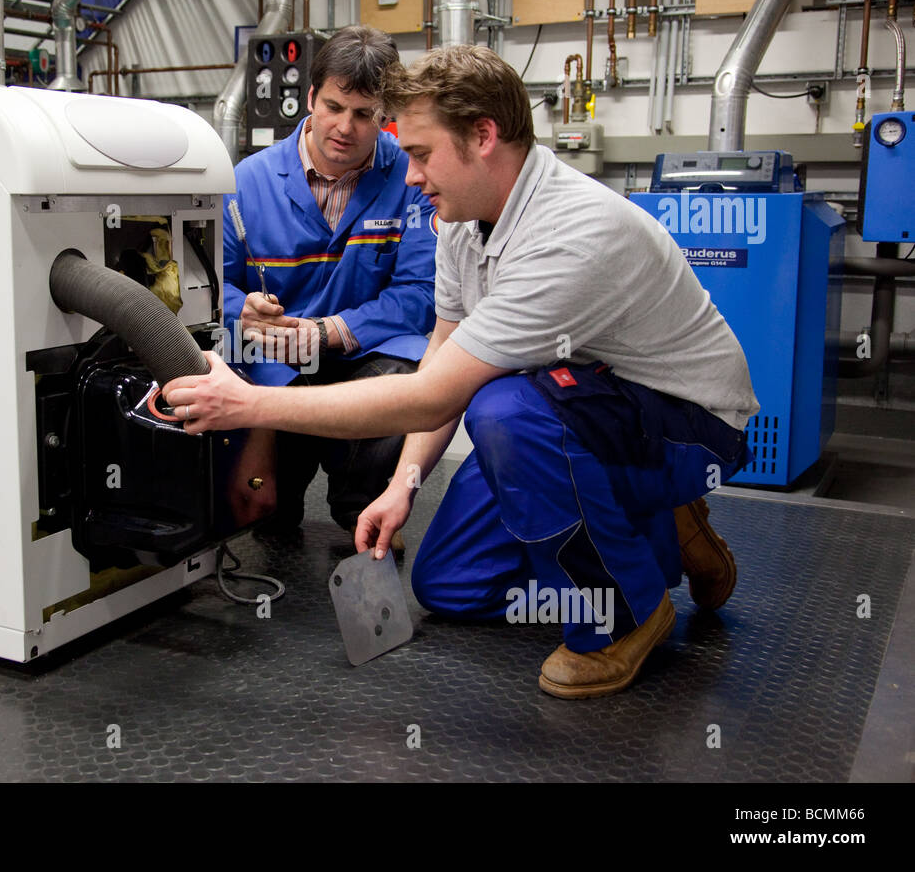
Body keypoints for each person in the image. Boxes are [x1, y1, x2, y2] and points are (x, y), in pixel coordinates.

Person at [167, 45, 759, 699]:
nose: (410, 175)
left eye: (421, 153)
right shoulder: (461, 218)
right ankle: (657, 528)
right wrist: (404, 487)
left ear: (482, 137)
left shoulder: (571, 234)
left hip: (684, 424)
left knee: (500, 408)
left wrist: (244, 406)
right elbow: (441, 354)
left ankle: (624, 614)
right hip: (581, 412)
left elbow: (431, 395)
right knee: (447, 584)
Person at [222, 25, 435, 541]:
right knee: (270, 523)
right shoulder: (246, 182)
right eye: (335, 106)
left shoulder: (411, 181)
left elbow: (421, 296)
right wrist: (243, 311)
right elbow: (213, 288)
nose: (345, 127)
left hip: (363, 361)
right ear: (311, 98)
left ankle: (361, 501)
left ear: (385, 117)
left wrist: (330, 332)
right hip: (275, 366)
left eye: (365, 114)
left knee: (409, 370)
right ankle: (269, 479)